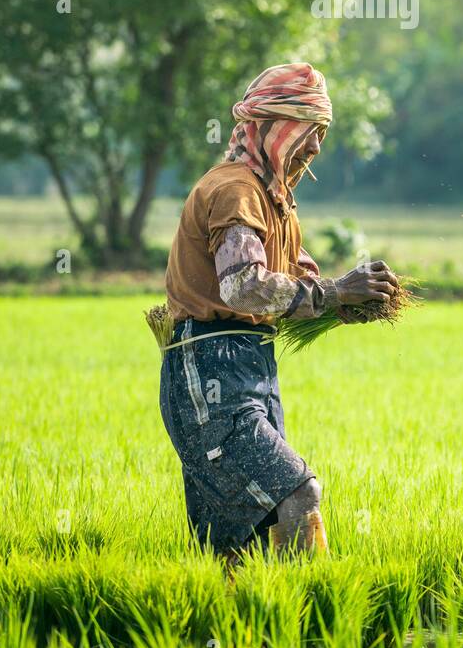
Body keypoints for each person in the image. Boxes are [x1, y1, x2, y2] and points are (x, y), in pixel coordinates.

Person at [159, 62, 398, 562]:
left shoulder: (276, 201)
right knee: (298, 492)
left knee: (238, 544)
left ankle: (257, 611)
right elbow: (244, 287)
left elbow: (294, 289)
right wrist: (337, 290)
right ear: (272, 127)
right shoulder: (236, 191)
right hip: (210, 373)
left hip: (249, 369)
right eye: (309, 131)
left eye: (322, 133)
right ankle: (311, 604)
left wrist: (349, 306)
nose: (315, 148)